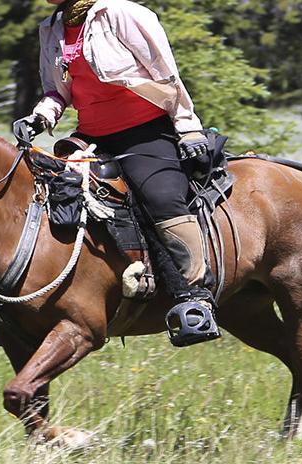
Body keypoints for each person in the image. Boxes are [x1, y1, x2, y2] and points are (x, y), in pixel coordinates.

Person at [12, 0, 220, 346]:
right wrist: (40, 117)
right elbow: (56, 91)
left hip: (147, 131)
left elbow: (166, 75)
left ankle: (196, 296)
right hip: (92, 135)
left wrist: (188, 127)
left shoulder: (122, 13)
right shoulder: (51, 28)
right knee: (50, 190)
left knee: (160, 197)